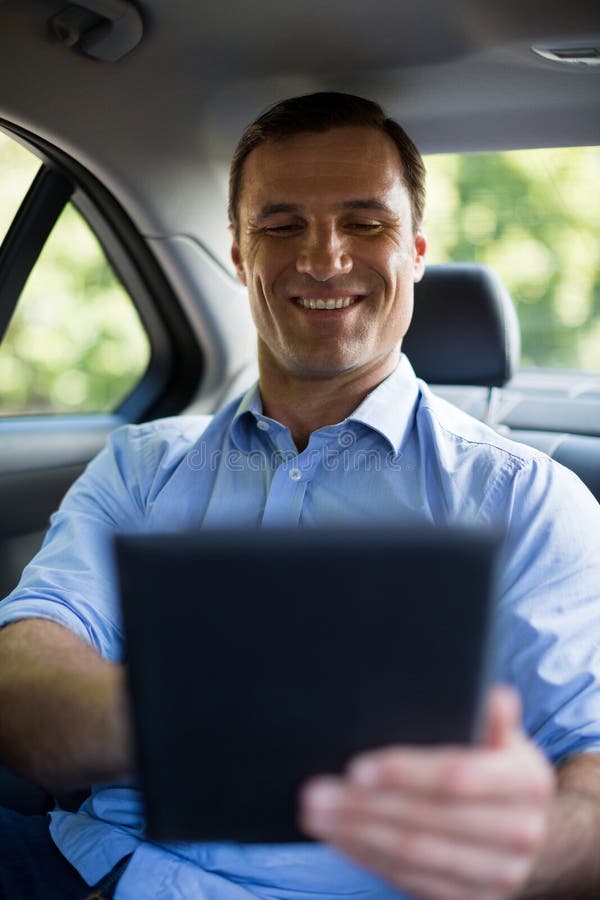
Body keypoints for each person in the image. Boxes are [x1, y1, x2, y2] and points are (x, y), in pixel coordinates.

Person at [0, 91, 599, 900]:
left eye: (365, 223)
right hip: (86, 871)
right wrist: (232, 720)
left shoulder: (528, 501)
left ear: (417, 249)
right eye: (281, 227)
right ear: (241, 257)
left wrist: (518, 850)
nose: (323, 258)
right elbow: (23, 673)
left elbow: (591, 776)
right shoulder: (142, 466)